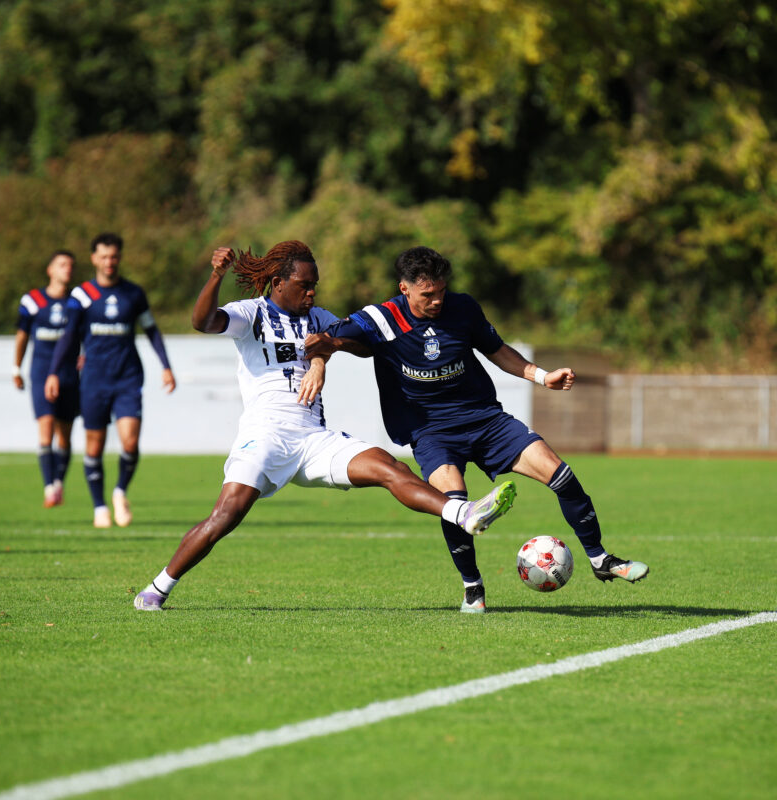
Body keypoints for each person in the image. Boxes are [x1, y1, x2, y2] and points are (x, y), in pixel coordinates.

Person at [132, 241, 517, 612]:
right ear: (279, 283)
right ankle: (158, 587)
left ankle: (462, 514)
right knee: (226, 514)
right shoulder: (252, 314)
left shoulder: (320, 318)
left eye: (315, 285)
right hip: (265, 435)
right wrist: (216, 275)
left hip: (314, 438)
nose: (312, 292)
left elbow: (363, 344)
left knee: (389, 467)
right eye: (305, 285)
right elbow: (203, 322)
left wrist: (326, 353)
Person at [306, 246, 649, 613]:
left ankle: (600, 560)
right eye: (427, 294)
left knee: (561, 475)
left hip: (485, 419)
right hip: (431, 431)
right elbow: (324, 339)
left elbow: (497, 350)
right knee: (453, 505)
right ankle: (472, 587)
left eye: (441, 291)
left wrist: (541, 376)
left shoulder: (463, 307)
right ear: (404, 289)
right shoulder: (380, 318)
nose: (437, 300)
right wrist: (318, 364)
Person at [45, 232, 175, 528]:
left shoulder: (133, 293)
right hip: (93, 380)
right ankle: (100, 507)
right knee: (94, 446)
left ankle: (119, 492)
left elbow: (151, 330)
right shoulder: (82, 295)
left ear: (120, 258)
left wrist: (166, 366)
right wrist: (54, 371)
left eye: (113, 256)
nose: (109, 262)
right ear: (94, 259)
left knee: (130, 442)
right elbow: (68, 338)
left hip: (128, 378)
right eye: (103, 257)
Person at [14, 250, 79, 507]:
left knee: (64, 434)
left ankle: (59, 482)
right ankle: (49, 486)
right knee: (46, 425)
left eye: (71, 265)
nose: (67, 269)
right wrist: (15, 368)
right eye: (62, 264)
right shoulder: (33, 300)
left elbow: (83, 334)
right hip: (41, 372)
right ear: (50, 270)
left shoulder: (77, 301)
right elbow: (22, 336)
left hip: (70, 373)